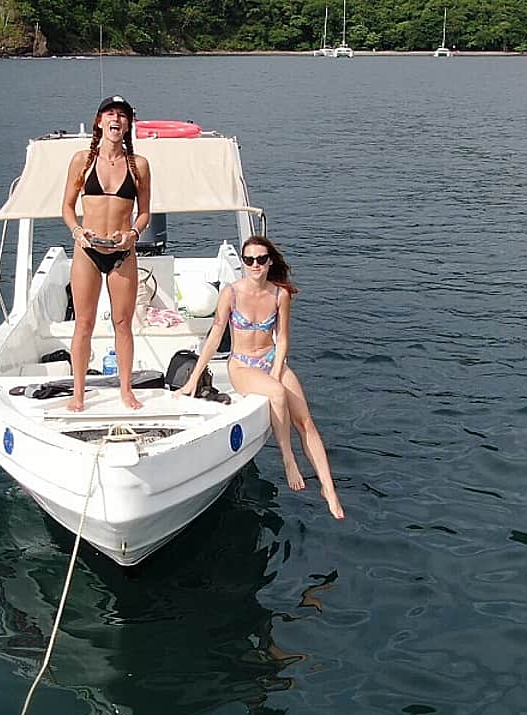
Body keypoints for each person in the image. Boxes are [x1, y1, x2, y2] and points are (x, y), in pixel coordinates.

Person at [177, 236, 344, 519]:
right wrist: (194, 379)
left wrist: (277, 370)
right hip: (242, 365)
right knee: (277, 394)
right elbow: (216, 335)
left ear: (269, 262)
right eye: (249, 260)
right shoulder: (231, 293)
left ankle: (329, 489)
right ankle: (288, 459)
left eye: (261, 260)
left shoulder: (280, 295)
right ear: (243, 262)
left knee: (305, 421)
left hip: (270, 358)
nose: (255, 265)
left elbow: (284, 339)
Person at [61, 94, 152, 412]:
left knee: (123, 322)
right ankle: (78, 392)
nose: (117, 119)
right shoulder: (82, 161)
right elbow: (67, 207)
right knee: (83, 322)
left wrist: (133, 235)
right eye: (110, 114)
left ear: (128, 125)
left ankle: (126, 390)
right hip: (87, 249)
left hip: (122, 252)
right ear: (99, 121)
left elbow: (144, 213)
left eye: (123, 115)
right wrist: (77, 232)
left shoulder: (138, 165)